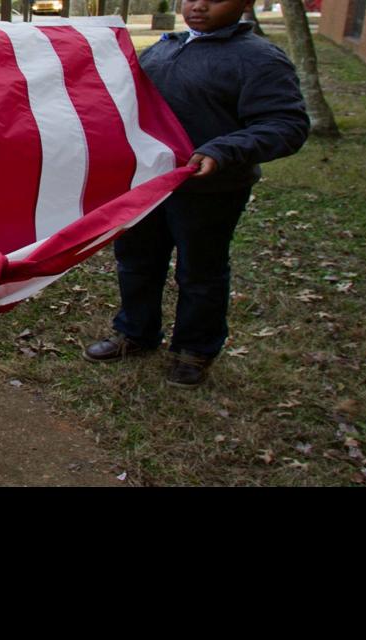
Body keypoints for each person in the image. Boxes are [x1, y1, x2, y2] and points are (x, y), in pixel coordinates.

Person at [83, 0, 309, 387]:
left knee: (200, 272)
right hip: (147, 184)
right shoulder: (166, 47)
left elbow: (286, 124)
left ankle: (195, 350)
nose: (198, 5)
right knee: (136, 260)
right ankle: (135, 333)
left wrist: (222, 151)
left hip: (210, 189)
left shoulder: (259, 59)